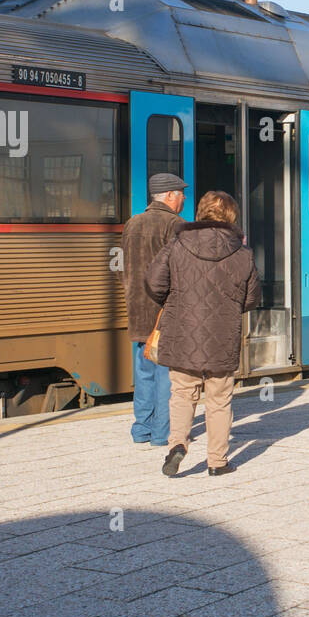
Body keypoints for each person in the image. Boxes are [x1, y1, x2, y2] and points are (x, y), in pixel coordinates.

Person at [146, 190, 260, 478]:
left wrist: (175, 302)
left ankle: (177, 446)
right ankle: (217, 462)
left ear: (200, 212)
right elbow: (252, 298)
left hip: (182, 333)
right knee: (219, 400)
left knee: (183, 394)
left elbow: (154, 282)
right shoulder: (243, 253)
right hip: (222, 337)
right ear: (232, 216)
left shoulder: (177, 244)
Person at [121, 172, 187, 447]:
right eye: (181, 193)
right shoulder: (176, 225)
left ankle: (141, 430)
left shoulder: (132, 224)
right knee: (165, 375)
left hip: (137, 310)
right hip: (165, 313)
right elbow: (181, 272)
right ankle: (162, 433)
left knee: (144, 372)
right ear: (170, 195)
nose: (184, 197)